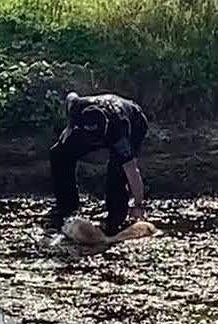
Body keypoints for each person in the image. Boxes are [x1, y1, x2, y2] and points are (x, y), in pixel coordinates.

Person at [49, 92, 149, 236]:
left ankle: (116, 217)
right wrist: (70, 127)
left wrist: (138, 205)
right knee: (59, 153)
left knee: (116, 173)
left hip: (135, 122)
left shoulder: (119, 130)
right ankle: (67, 206)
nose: (95, 145)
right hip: (87, 126)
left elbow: (132, 170)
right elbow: (70, 97)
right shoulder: (77, 107)